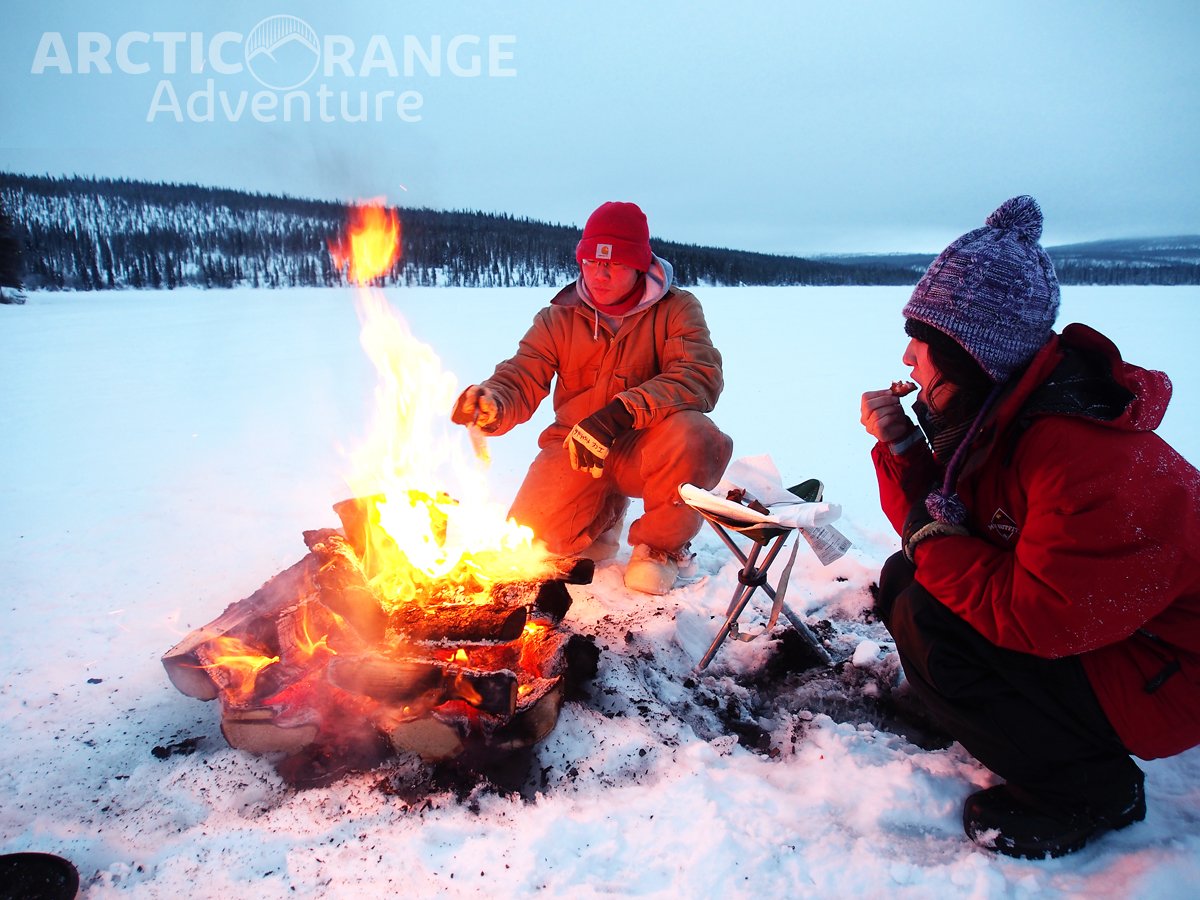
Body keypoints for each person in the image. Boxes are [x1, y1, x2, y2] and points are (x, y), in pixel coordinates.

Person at [859, 195, 1200, 860]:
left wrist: (929, 537)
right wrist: (901, 448)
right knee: (908, 579)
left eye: (923, 343)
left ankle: (1090, 791)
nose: (907, 359)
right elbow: (951, 522)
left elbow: (1036, 618)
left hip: (1167, 672)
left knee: (934, 621)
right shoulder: (1008, 413)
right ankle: (987, 716)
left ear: (969, 355)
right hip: (1109, 634)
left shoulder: (1080, 458)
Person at [452, 201, 733, 594]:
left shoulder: (676, 309)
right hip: (576, 448)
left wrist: (620, 413)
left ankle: (659, 547)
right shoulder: (558, 317)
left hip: (643, 445)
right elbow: (522, 373)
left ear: (639, 265)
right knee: (531, 547)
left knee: (697, 436)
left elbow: (698, 376)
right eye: (591, 261)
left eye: (613, 263)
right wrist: (494, 401)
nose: (599, 273)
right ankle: (602, 517)